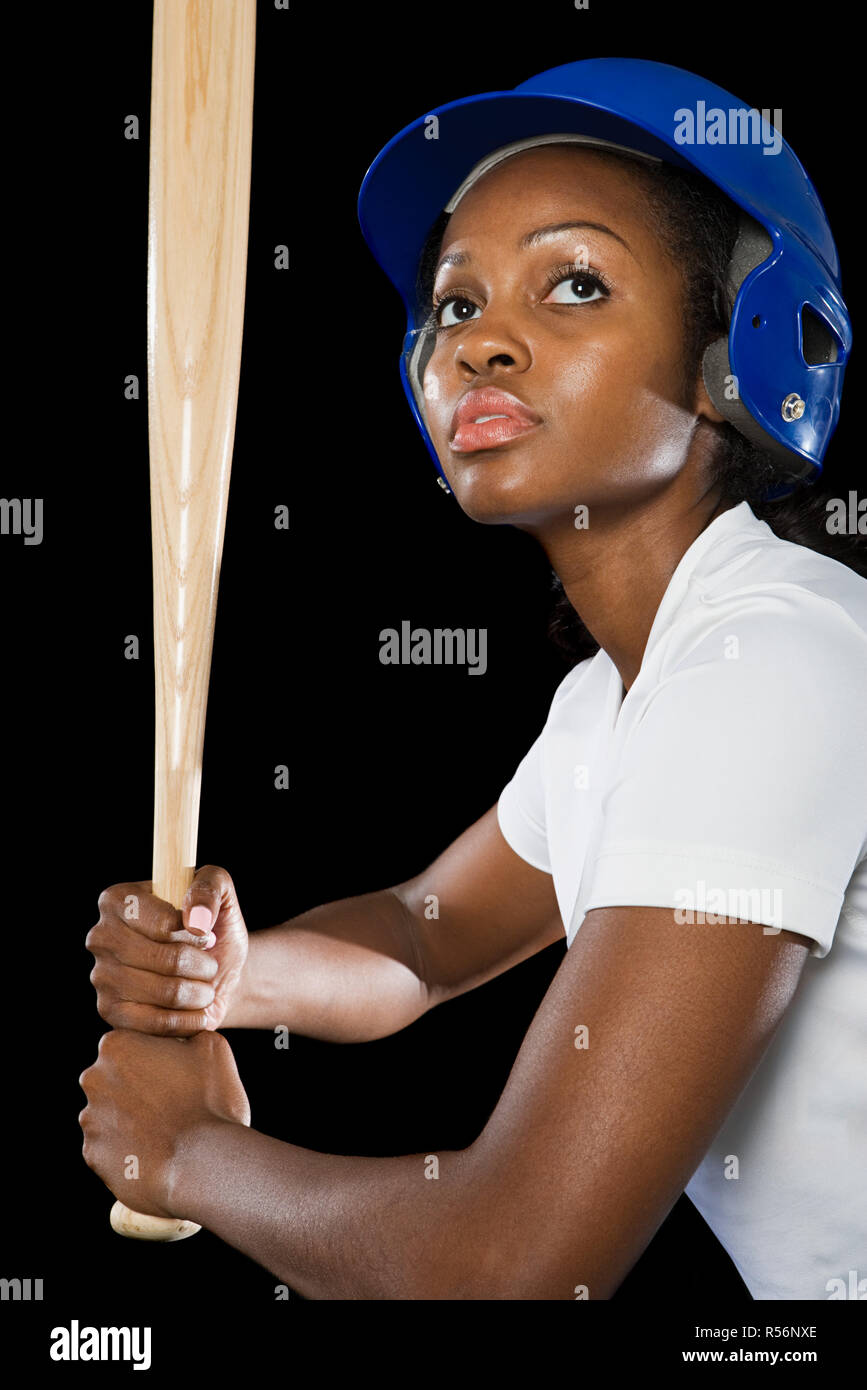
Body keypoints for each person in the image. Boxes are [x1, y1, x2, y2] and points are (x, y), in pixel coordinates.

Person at [80, 59, 867, 1301]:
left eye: (576, 282)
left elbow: (517, 1266)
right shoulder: (615, 701)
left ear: (743, 352)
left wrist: (192, 1158)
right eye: (453, 306)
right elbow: (421, 942)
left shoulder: (772, 660)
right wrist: (229, 973)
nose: (481, 342)